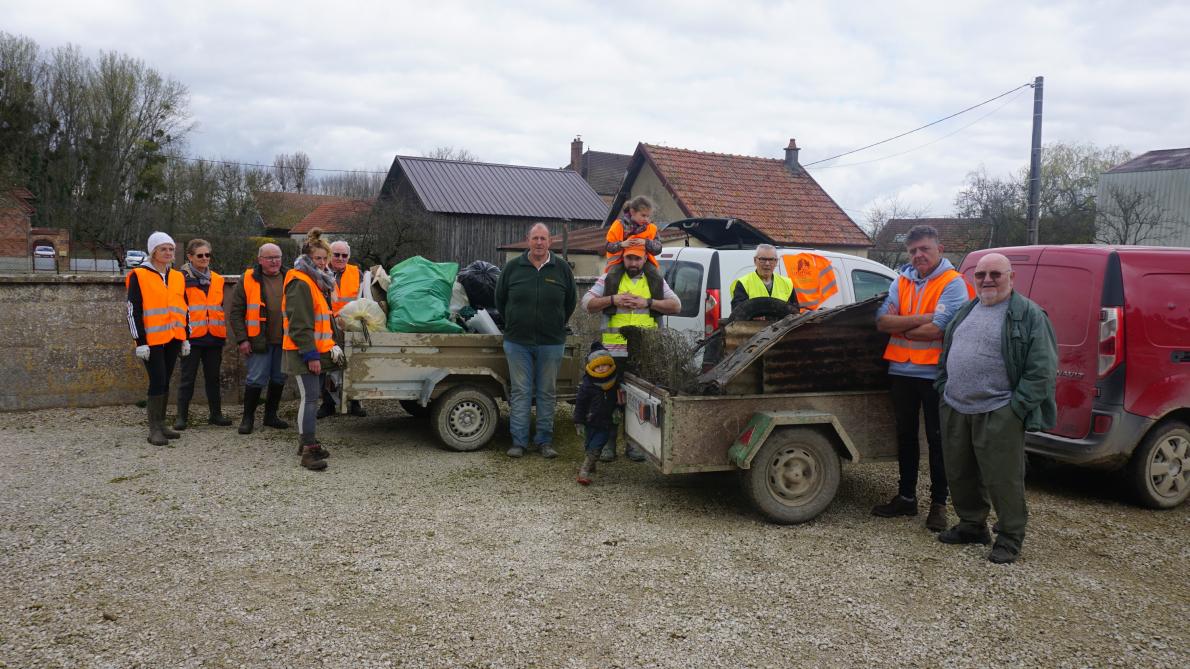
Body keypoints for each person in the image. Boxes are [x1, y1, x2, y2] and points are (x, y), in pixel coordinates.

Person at [936, 253, 1057, 564]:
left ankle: (1010, 536)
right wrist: (943, 387)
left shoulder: (1028, 315)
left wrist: (1016, 408)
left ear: (1011, 277)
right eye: (981, 275)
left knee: (1003, 477)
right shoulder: (967, 310)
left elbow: (1041, 368)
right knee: (960, 473)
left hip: (999, 409)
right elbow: (946, 352)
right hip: (956, 406)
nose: (987, 280)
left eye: (995, 274)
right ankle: (971, 525)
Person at [873, 225, 975, 531]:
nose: (918, 255)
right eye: (913, 251)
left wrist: (902, 325)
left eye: (924, 249)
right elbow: (882, 321)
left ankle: (939, 504)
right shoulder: (902, 279)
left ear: (939, 250)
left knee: (937, 439)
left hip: (935, 373)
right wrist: (924, 317)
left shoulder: (953, 283)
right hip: (901, 371)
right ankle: (906, 497)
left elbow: (939, 330)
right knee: (905, 437)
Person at [581, 245, 681, 461]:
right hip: (613, 353)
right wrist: (612, 300)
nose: (633, 263)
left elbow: (676, 305)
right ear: (623, 258)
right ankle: (608, 445)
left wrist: (648, 302)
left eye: (637, 259)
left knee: (638, 401)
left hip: (644, 355)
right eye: (629, 259)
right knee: (608, 400)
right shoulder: (610, 278)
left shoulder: (655, 281)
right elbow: (586, 303)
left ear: (645, 258)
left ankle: (635, 445)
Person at [495, 222, 577, 459]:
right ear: (528, 241)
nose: (539, 243)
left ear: (550, 242)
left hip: (551, 342)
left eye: (543, 238)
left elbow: (570, 302)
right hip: (517, 342)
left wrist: (555, 321)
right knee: (521, 391)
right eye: (535, 238)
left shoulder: (561, 269)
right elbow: (500, 300)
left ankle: (544, 441)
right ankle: (518, 443)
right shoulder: (512, 268)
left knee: (546, 392)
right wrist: (514, 321)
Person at [282, 228, 345, 471]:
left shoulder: (315, 281)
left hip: (314, 349)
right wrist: (310, 356)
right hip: (304, 351)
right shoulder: (301, 282)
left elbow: (320, 320)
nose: (321, 262)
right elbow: (300, 324)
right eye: (317, 258)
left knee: (311, 398)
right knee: (309, 399)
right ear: (307, 259)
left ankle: (306, 442)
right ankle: (308, 451)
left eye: (324, 258)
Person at [126, 231, 190, 445]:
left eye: (171, 249)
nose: (168, 252)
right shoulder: (139, 275)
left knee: (165, 381)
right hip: (151, 342)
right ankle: (154, 429)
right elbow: (132, 310)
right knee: (158, 380)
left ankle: (161, 424)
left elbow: (183, 308)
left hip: (173, 337)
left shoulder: (177, 276)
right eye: (163, 249)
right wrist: (140, 342)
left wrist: (185, 337)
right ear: (153, 251)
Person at [228, 243, 290, 435]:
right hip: (258, 341)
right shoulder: (248, 279)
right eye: (270, 258)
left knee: (279, 378)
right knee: (255, 380)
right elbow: (236, 312)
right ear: (260, 259)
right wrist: (242, 339)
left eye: (277, 257)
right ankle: (248, 418)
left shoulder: (291, 277)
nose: (274, 261)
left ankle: (271, 416)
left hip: (286, 341)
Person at [173, 239, 232, 430]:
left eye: (208, 255)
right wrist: (181, 337)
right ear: (190, 257)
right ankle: (181, 417)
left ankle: (216, 414)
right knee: (187, 379)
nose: (205, 258)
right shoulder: (180, 278)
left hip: (214, 336)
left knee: (213, 378)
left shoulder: (218, 279)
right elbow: (177, 309)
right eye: (200, 255)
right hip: (191, 338)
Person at [317, 239, 366, 418]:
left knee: (353, 364)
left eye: (344, 255)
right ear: (330, 255)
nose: (340, 258)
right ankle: (328, 404)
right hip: (327, 325)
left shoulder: (357, 273)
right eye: (336, 254)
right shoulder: (320, 273)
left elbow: (365, 299)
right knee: (329, 365)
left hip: (351, 327)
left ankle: (355, 402)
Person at [573, 346, 622, 485]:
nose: (601, 368)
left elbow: (619, 399)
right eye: (597, 366)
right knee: (589, 444)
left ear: (610, 365)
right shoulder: (587, 385)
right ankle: (592, 464)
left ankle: (584, 470)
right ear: (591, 367)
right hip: (590, 420)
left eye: (604, 365)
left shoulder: (615, 383)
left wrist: (618, 409)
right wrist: (578, 421)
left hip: (606, 422)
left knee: (597, 446)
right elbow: (580, 404)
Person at [729, 244, 799, 313]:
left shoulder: (787, 283)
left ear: (776, 262)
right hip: (752, 324)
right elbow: (738, 313)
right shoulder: (743, 283)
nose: (767, 263)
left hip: (783, 324)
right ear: (755, 260)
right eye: (763, 259)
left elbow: (794, 311)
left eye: (771, 259)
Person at [604, 195, 661, 270]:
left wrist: (646, 242)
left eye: (648, 216)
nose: (646, 219)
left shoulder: (651, 228)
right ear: (632, 212)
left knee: (657, 277)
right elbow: (608, 246)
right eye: (643, 215)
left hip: (643, 262)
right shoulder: (619, 225)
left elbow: (658, 249)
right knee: (612, 277)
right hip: (619, 261)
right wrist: (622, 244)